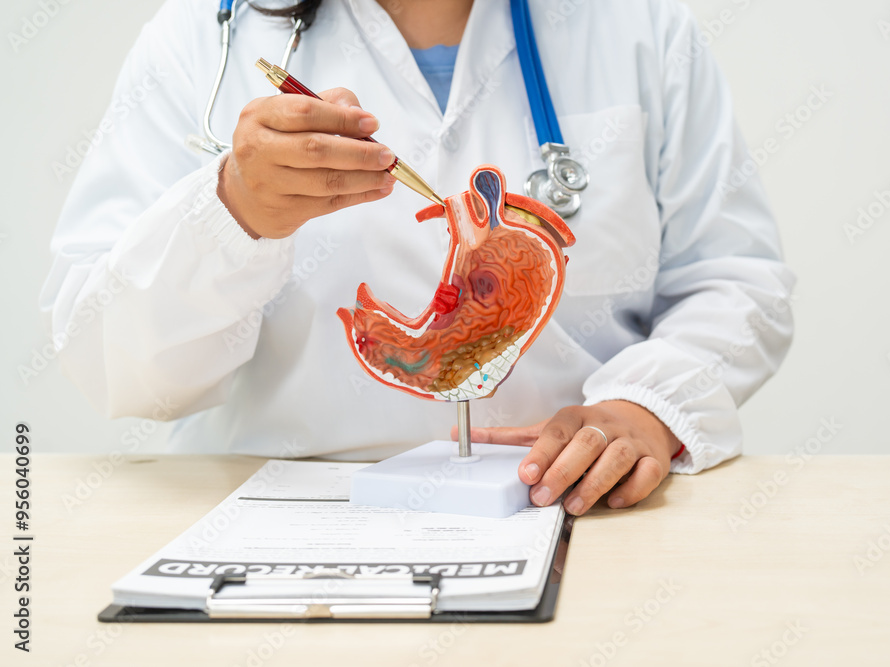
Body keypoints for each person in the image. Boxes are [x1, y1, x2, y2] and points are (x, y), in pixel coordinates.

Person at [41, 0, 795, 516]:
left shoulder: (638, 25)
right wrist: (232, 212)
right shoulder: (201, 40)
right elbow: (110, 361)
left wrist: (647, 405)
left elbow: (735, 279)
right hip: (291, 530)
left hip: (572, 513)